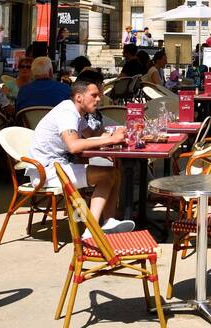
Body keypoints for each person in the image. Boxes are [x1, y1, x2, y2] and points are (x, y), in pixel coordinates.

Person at [29, 75, 133, 235]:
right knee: (107, 175)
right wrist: (111, 139)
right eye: (94, 95)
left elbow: (92, 134)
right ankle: (91, 231)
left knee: (114, 173)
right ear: (79, 97)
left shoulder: (78, 113)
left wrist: (111, 137)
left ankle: (108, 221)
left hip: (59, 166)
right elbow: (73, 146)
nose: (99, 99)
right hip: (46, 171)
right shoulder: (67, 113)